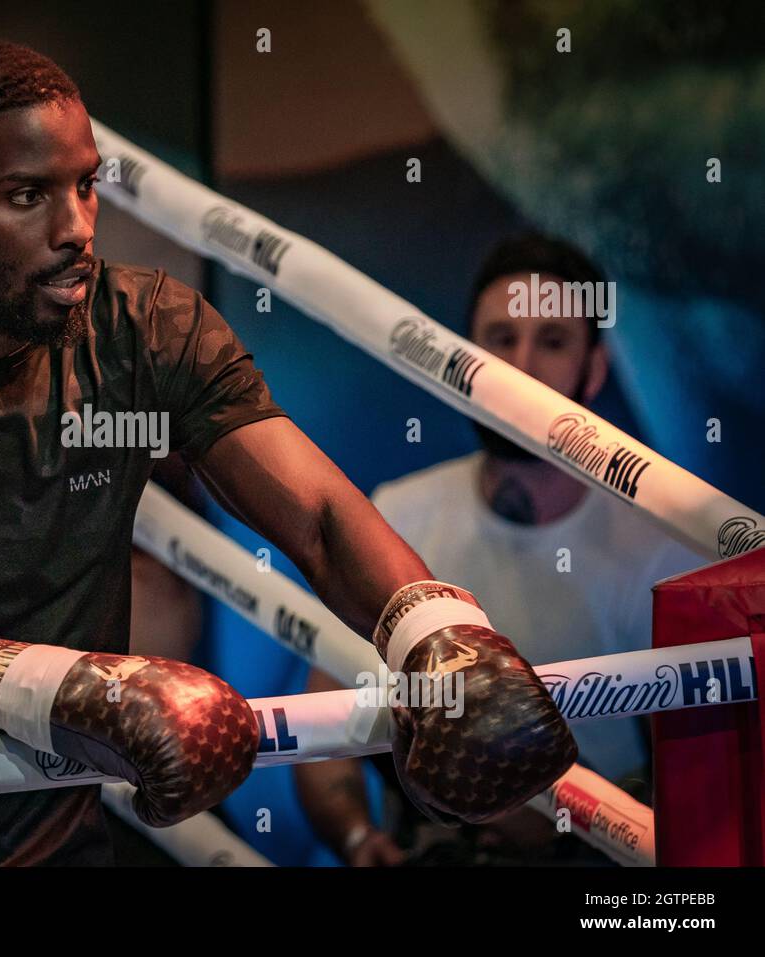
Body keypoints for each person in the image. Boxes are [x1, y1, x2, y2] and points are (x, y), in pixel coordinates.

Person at [0, 40, 575, 866]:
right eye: (27, 196)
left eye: (86, 187)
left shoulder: (145, 328)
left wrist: (435, 632)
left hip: (44, 845)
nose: (77, 227)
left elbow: (314, 511)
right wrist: (74, 692)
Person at [296, 233, 703, 865]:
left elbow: (696, 790)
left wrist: (572, 819)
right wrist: (357, 838)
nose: (523, 366)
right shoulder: (398, 514)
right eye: (501, 339)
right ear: (465, 361)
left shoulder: (662, 550)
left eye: (552, 340)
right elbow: (327, 720)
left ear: (593, 369)